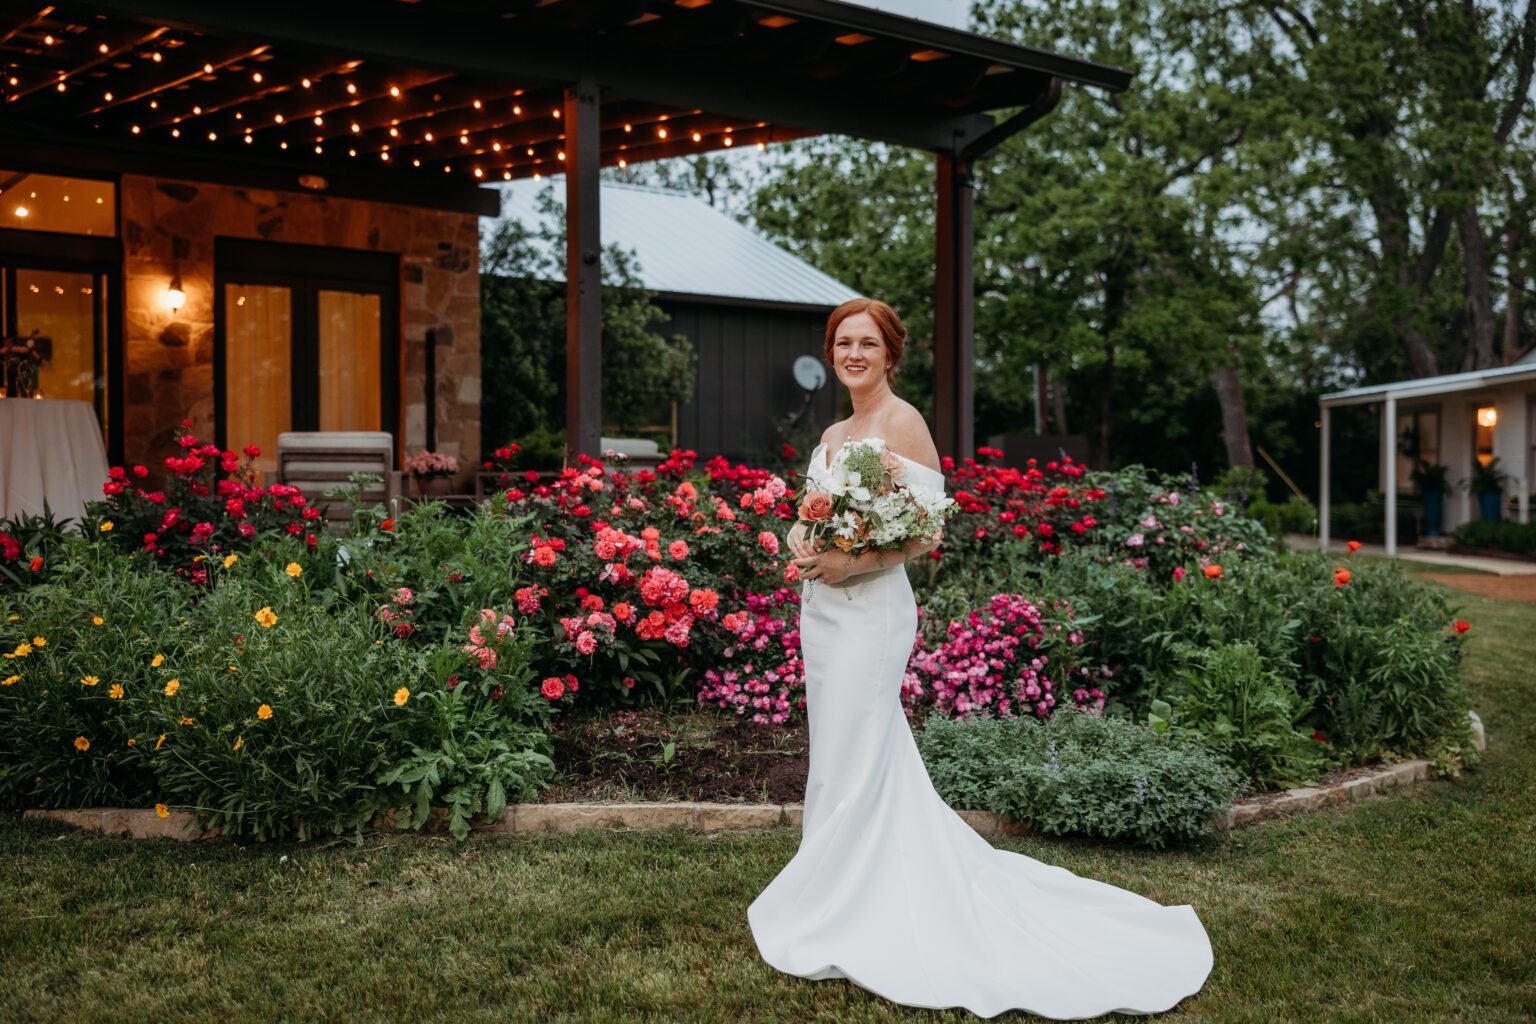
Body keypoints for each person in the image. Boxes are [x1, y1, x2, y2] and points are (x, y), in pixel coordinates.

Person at [746, 298, 1214, 1019]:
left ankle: (852, 896)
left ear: (891, 354)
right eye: (843, 343)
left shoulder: (904, 423)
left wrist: (853, 561)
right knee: (837, 749)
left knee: (865, 742)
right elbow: (813, 514)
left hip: (872, 614)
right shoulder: (835, 431)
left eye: (868, 343)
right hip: (823, 614)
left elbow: (925, 535)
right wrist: (805, 547)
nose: (854, 354)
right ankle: (831, 880)